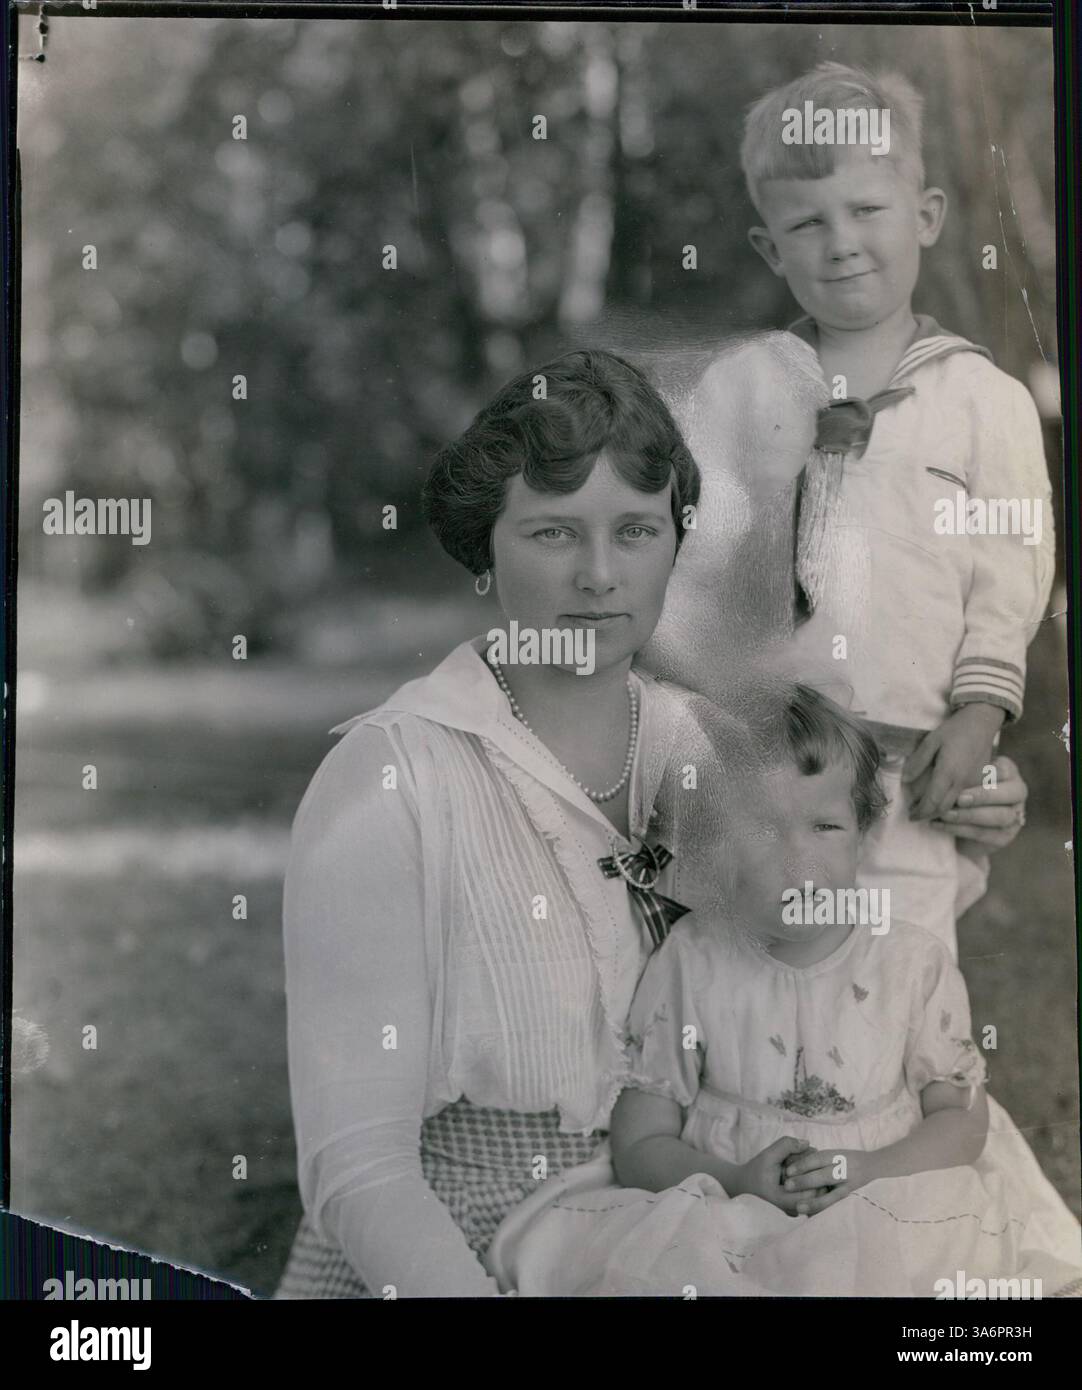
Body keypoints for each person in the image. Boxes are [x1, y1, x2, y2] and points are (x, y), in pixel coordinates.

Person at [274, 348, 1032, 1299]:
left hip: (695, 1213)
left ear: (675, 542)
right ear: (483, 550)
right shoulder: (390, 780)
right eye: (553, 534)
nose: (599, 575)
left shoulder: (711, 749)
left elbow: (843, 860)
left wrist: (981, 800)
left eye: (635, 530)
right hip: (455, 1249)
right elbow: (360, 1174)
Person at [484, 686, 1082, 1297]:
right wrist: (738, 1178)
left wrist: (870, 1171)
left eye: (826, 825)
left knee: (943, 1252)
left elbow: (960, 1122)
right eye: (765, 830)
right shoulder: (693, 959)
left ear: (865, 836)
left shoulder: (910, 961)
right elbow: (640, 1140)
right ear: (714, 842)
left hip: (883, 1198)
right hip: (734, 1207)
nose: (800, 860)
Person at [655, 63, 1055, 952]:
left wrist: (982, 714)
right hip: (776, 775)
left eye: (867, 211)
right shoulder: (739, 390)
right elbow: (698, 573)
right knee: (760, 985)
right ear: (771, 249)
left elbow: (1011, 572)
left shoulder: (984, 400)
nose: (841, 242)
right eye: (807, 222)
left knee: (902, 993)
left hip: (916, 764)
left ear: (927, 217)